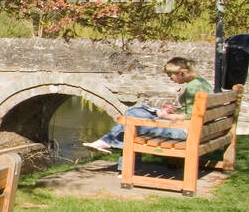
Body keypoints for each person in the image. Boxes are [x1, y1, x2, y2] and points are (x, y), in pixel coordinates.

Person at [84, 57, 213, 153]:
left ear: (182, 73)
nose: (170, 79)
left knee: (132, 118)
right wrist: (173, 111)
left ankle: (108, 143)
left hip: (184, 132)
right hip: (199, 129)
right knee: (135, 111)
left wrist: (164, 116)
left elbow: (189, 117)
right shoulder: (200, 82)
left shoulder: (192, 87)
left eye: (171, 76)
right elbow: (193, 112)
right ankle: (107, 142)